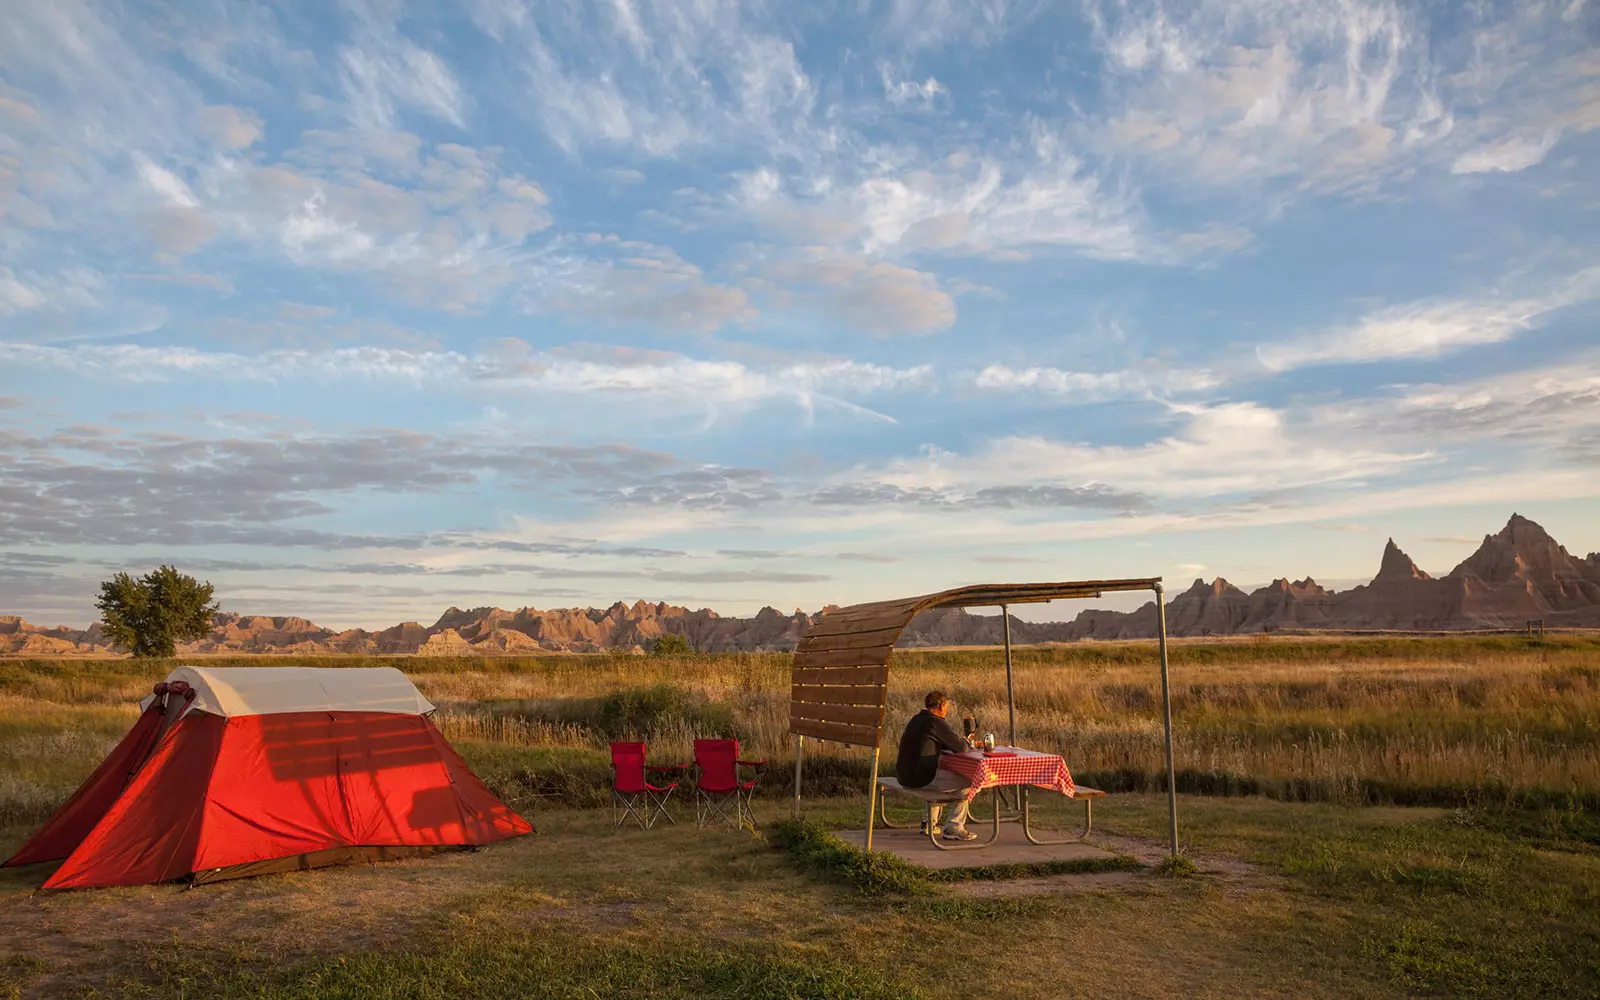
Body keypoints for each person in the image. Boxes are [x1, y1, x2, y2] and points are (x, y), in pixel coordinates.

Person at [894, 690, 977, 840]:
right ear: (941, 705)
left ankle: (928, 824)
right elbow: (961, 747)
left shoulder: (917, 719)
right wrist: (966, 740)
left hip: (903, 775)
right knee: (968, 782)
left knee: (940, 775)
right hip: (920, 779)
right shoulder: (936, 722)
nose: (947, 710)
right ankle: (954, 827)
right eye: (946, 706)